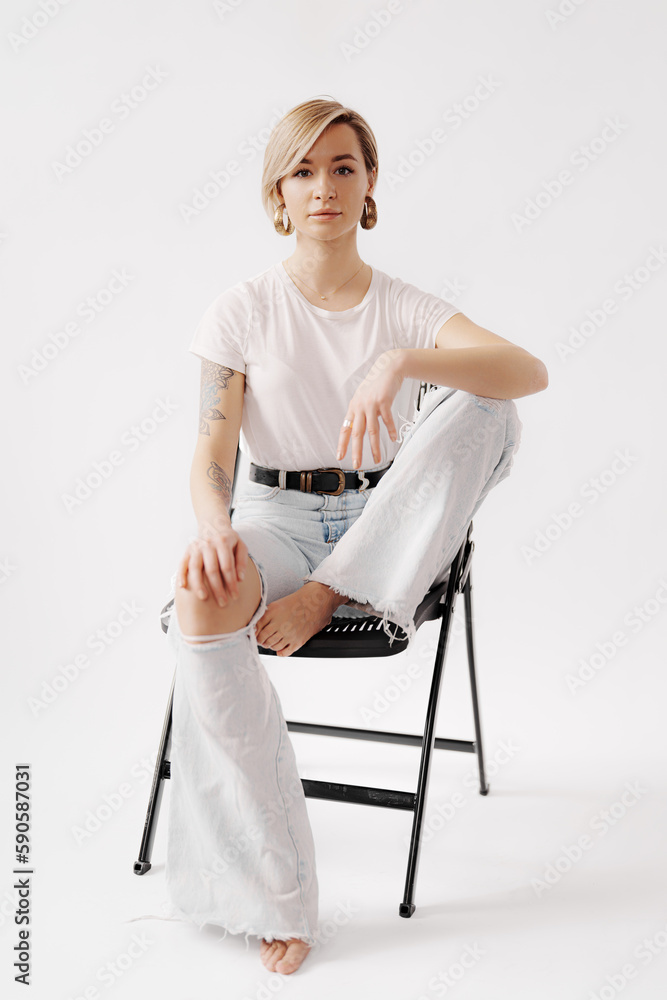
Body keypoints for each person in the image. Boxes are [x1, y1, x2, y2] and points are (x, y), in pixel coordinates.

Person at [161, 96, 548, 976]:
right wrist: (214, 526)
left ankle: (335, 586)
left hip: (392, 519)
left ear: (369, 185)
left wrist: (401, 361)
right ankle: (274, 894)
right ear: (278, 193)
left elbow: (530, 371)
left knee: (488, 402)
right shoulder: (241, 309)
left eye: (343, 167)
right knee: (200, 594)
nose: (324, 186)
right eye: (304, 170)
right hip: (276, 517)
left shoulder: (403, 306)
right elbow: (211, 445)